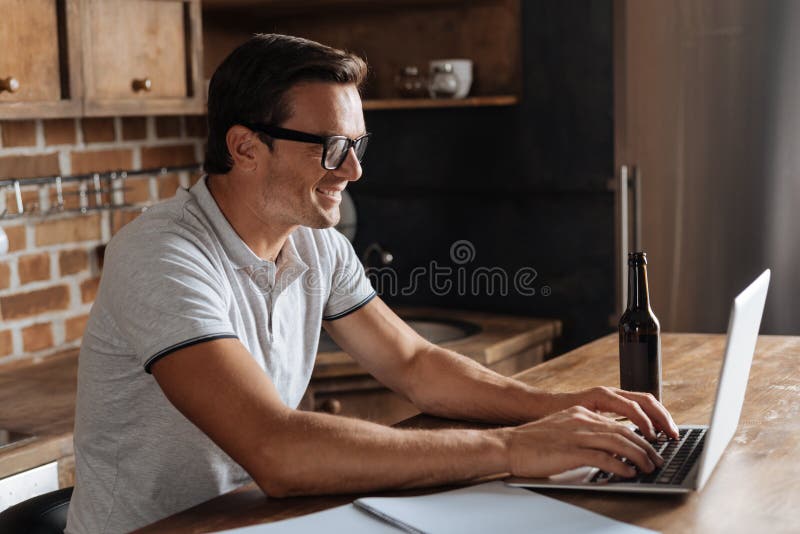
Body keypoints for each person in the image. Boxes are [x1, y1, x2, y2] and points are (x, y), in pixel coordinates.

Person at [65, 33, 678, 533]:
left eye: (358, 145)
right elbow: (275, 450)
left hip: (249, 521)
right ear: (245, 147)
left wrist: (565, 409)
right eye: (333, 147)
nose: (354, 170)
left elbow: (414, 364)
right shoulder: (162, 253)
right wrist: (515, 449)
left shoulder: (316, 244)